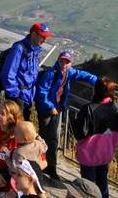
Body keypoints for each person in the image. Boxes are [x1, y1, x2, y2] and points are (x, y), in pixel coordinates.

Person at [35, 49, 99, 182]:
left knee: (53, 138)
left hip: (58, 109)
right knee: (43, 137)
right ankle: (39, 165)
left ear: (71, 64)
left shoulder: (69, 73)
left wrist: (99, 82)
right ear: (58, 60)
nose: (64, 63)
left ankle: (50, 167)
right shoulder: (50, 73)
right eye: (62, 60)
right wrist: (50, 107)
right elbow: (41, 92)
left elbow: (84, 75)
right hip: (46, 109)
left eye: (67, 61)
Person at [74, 79, 118, 198]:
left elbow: (80, 134)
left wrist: (75, 119)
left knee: (88, 184)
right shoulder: (116, 109)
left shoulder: (88, 108)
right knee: (102, 182)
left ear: (96, 90)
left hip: (89, 154)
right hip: (105, 153)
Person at [0, 22, 52, 119]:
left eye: (45, 37)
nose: (45, 40)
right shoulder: (19, 49)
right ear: (33, 34)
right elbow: (8, 74)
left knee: (22, 129)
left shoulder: (34, 51)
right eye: (42, 36)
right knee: (14, 128)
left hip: (28, 97)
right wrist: (16, 95)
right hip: (17, 97)